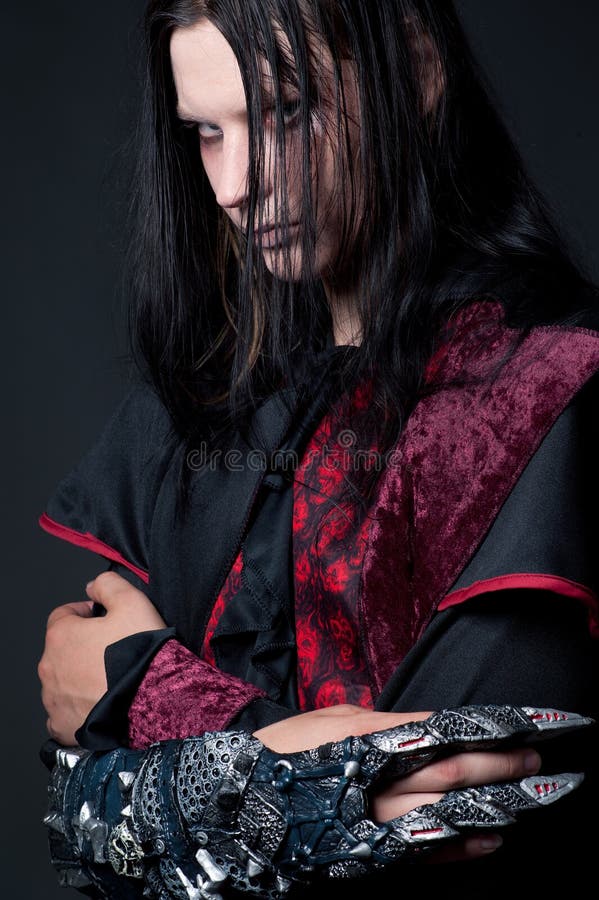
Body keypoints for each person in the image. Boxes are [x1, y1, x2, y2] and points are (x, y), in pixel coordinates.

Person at [37, 1, 599, 897]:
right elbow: (71, 823)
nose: (232, 185)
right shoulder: (199, 405)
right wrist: (286, 769)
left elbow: (453, 802)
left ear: (414, 73)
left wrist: (147, 701)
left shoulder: (553, 383)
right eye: (206, 132)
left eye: (282, 114)